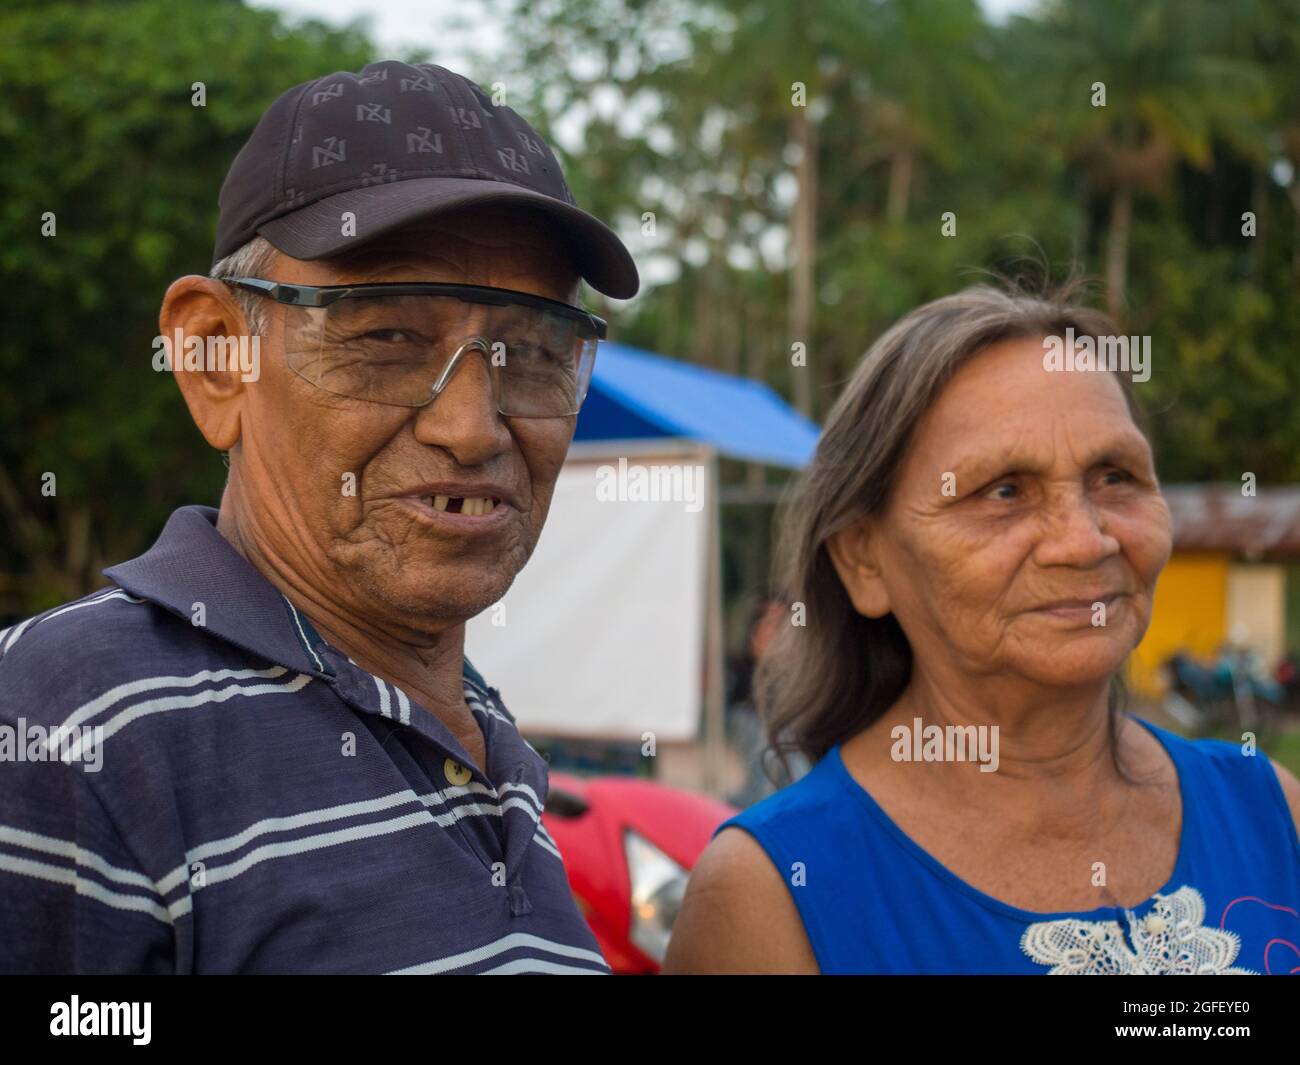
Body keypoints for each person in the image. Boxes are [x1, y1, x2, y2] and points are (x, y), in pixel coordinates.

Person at [0, 60, 638, 974]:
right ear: (218, 358)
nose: (472, 428)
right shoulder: (71, 724)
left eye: (533, 350)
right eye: (386, 336)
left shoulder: (488, 739)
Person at [664, 285, 1300, 974]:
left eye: (1115, 476)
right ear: (863, 560)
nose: (1085, 541)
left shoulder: (1272, 814)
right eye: (1003, 491)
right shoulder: (770, 894)